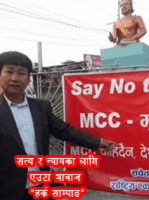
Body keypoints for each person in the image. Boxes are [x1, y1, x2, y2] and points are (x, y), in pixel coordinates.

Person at [0, 51, 116, 200]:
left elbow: (64, 130)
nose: (15, 78)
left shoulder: (41, 108)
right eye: (9, 72)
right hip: (7, 190)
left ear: (28, 80)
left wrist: (97, 142)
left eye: (21, 73)